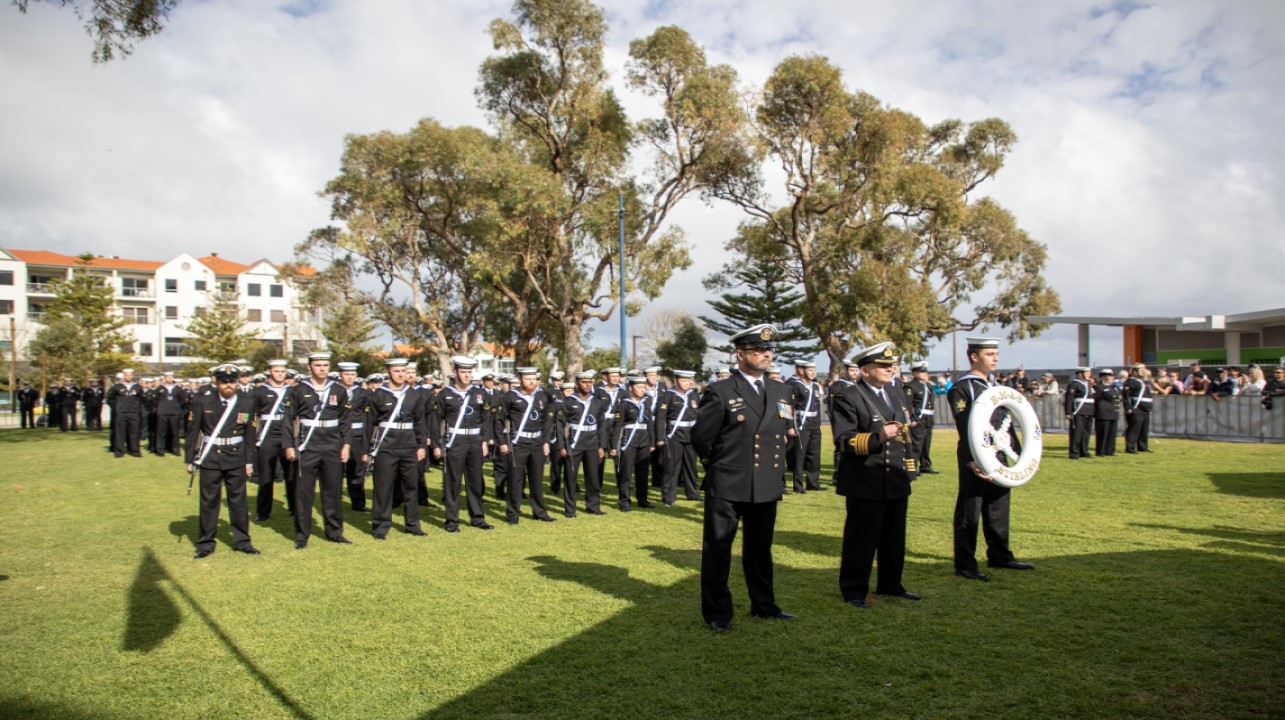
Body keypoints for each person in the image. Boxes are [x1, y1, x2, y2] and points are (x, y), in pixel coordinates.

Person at [692, 323, 797, 631]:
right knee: (718, 550)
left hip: (766, 481)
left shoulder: (781, 389)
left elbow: (784, 430)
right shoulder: (722, 390)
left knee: (760, 549)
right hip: (729, 481)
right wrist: (721, 464)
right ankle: (717, 613)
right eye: (758, 350)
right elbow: (701, 438)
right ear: (740, 354)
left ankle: (764, 604)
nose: (765, 355)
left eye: (769, 350)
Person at [831, 341, 920, 608]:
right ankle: (854, 590)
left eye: (890, 365)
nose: (889, 369)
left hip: (894, 477)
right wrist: (877, 437)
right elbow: (844, 439)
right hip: (865, 478)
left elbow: (905, 435)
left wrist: (910, 468)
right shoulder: (849, 396)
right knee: (862, 539)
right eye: (882, 365)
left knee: (894, 538)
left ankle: (891, 584)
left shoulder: (895, 394)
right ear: (865, 370)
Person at [949, 337, 1034, 581]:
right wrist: (972, 460)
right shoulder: (963, 387)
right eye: (989, 354)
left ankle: (1000, 555)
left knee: (998, 505)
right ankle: (965, 563)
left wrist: (1022, 459)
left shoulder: (996, 386)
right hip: (975, 454)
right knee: (970, 508)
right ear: (974, 356)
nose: (995, 358)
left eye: (996, 353)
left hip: (1000, 451)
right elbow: (964, 426)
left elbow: (1006, 425)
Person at [187, 363, 260, 559]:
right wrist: (190, 459)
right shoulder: (203, 401)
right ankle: (205, 543)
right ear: (216, 382)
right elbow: (193, 431)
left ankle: (243, 541)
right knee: (209, 501)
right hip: (210, 456)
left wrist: (249, 461)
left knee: (238, 501)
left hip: (236, 456)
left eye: (232, 381)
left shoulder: (246, 402)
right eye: (223, 382)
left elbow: (250, 434)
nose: (228, 385)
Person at [282, 352, 354, 549]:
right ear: (310, 367)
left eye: (325, 365)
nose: (322, 368)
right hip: (307, 445)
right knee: (303, 492)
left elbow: (346, 420)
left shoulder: (338, 390)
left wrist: (346, 445)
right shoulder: (298, 389)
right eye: (318, 365)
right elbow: (288, 419)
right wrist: (289, 445)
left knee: (333, 491)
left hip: (332, 445)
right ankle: (302, 534)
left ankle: (334, 532)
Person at [367, 358, 432, 540]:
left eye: (403, 370)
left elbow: (420, 422)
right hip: (386, 445)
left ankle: (413, 525)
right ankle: (381, 526)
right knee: (383, 487)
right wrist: (368, 450)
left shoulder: (414, 394)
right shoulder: (379, 394)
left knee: (411, 487)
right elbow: (370, 423)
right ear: (389, 372)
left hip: (409, 444)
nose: (401, 374)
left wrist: (420, 445)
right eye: (396, 371)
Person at [431, 356, 495, 532]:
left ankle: (477, 517)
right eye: (463, 372)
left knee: (475, 480)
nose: (467, 375)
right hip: (455, 441)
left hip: (474, 441)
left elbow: (486, 418)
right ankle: (452, 520)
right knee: (453, 481)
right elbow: (436, 420)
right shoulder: (445, 394)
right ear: (455, 373)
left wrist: (484, 440)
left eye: (469, 372)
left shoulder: (479, 393)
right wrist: (436, 444)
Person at [494, 367, 557, 525]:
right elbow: (499, 419)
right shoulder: (509, 397)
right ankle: (513, 514)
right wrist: (502, 442)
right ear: (520, 379)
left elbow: (546, 421)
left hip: (536, 442)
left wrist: (545, 441)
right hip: (518, 444)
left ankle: (539, 512)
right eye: (528, 378)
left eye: (534, 378)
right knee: (516, 480)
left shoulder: (542, 396)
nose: (531, 381)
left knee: (537, 479)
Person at [557, 370, 611, 516]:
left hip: (593, 444)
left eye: (589, 382)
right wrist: (561, 446)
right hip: (574, 444)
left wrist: (602, 446)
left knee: (593, 478)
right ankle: (570, 509)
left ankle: (593, 506)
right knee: (570, 478)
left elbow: (602, 425)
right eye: (584, 382)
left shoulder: (597, 401)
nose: (587, 385)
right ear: (577, 384)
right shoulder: (569, 401)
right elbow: (560, 424)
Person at [250, 359, 295, 521]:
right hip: (268, 435)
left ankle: (294, 508)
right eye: (276, 371)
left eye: (283, 371)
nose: (280, 374)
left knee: (291, 475)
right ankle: (263, 512)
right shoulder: (260, 391)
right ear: (269, 371)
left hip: (288, 435)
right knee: (266, 476)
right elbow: (252, 415)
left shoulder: (293, 391)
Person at [608, 375, 656, 511]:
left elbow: (650, 423)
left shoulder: (647, 402)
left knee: (643, 472)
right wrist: (614, 446)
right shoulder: (624, 404)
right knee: (626, 472)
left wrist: (652, 442)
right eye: (639, 387)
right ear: (631, 388)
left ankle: (642, 499)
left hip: (644, 440)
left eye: (643, 387)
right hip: (629, 440)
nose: (642, 390)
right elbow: (617, 426)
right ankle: (624, 500)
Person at [661, 370, 702, 503]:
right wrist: (660, 436)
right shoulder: (668, 396)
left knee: (691, 465)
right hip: (674, 434)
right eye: (683, 381)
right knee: (672, 467)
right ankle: (669, 496)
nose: (685, 384)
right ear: (676, 381)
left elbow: (699, 414)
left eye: (688, 381)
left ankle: (692, 493)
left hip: (691, 434)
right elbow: (661, 418)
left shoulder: (694, 395)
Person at [336, 362, 372, 513]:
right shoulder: (334, 391)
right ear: (340, 375)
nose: (349, 377)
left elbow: (367, 417)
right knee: (336, 471)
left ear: (356, 375)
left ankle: (358, 503)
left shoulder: (363, 393)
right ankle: (334, 502)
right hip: (338, 435)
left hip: (357, 435)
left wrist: (366, 442)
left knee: (357, 471)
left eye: (352, 375)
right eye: (346, 374)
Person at [786, 361, 824, 493]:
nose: (813, 372)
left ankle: (813, 482)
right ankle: (798, 485)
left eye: (814, 370)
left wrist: (818, 422)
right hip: (801, 423)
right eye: (810, 370)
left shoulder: (815, 386)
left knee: (814, 453)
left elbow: (817, 405)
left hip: (814, 422)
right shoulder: (794, 386)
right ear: (802, 371)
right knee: (800, 454)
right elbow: (787, 406)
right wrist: (790, 425)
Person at [906, 362, 938, 475]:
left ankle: (925, 465)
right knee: (916, 443)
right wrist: (913, 419)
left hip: (928, 417)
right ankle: (913, 467)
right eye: (922, 371)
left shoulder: (927, 385)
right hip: (919, 418)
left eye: (925, 371)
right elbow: (909, 404)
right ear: (914, 373)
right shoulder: (911, 386)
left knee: (926, 443)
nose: (925, 374)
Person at [108, 369, 145, 457]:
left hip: (134, 413)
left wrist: (136, 406)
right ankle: (119, 452)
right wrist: (117, 407)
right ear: (124, 376)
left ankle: (135, 451)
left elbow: (142, 398)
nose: (128, 376)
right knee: (120, 432)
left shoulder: (137, 387)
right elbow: (110, 398)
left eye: (130, 375)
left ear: (132, 376)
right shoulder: (117, 386)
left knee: (134, 432)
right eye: (126, 375)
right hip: (121, 413)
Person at [1064, 367, 1095, 460]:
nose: (1089, 374)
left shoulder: (1089, 385)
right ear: (1080, 374)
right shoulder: (1074, 384)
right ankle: (1074, 452)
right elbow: (1069, 398)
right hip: (1078, 411)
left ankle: (1084, 451)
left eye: (1089, 372)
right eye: (1087, 373)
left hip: (1089, 411)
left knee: (1086, 432)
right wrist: (1068, 412)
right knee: (1077, 432)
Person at [1123, 363, 1154, 453]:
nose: (1143, 372)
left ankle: (1143, 447)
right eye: (1141, 370)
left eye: (1144, 370)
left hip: (1145, 409)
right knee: (1134, 429)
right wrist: (1128, 407)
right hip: (1137, 408)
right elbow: (1126, 396)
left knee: (1144, 429)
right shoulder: (1130, 381)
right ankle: (1130, 448)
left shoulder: (1145, 382)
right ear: (1135, 372)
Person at [1093, 369, 1121, 457]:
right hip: (1103, 413)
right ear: (1103, 377)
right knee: (1103, 434)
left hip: (1113, 413)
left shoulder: (1113, 387)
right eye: (1107, 376)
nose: (1109, 378)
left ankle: (1110, 450)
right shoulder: (1099, 387)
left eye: (1111, 376)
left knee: (1111, 433)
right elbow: (1096, 399)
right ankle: (1101, 451)